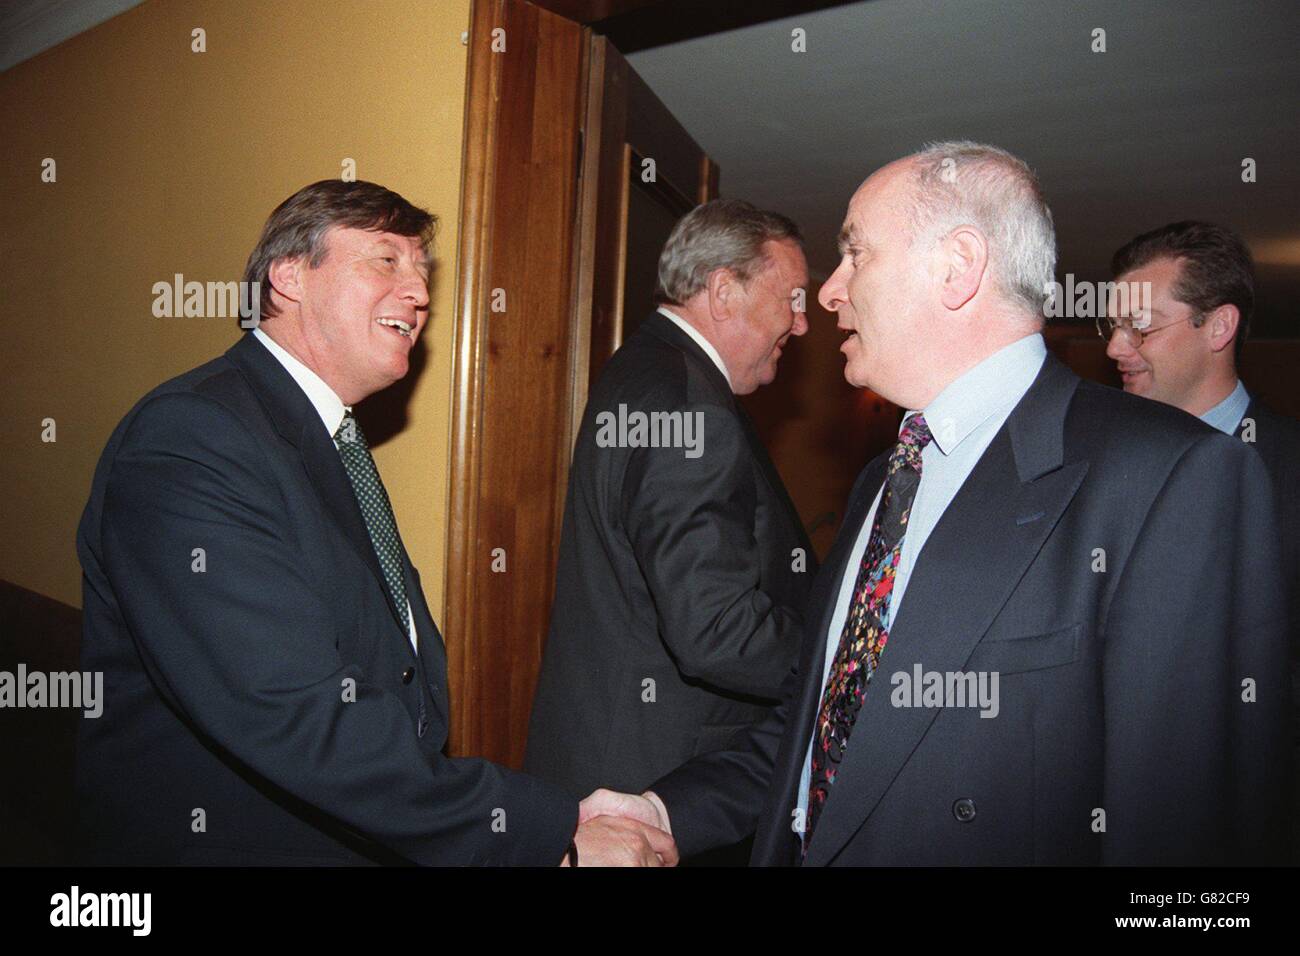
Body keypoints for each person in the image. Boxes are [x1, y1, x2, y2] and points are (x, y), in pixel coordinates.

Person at [581, 143, 1291, 865]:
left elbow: (1187, 839)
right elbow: (828, 721)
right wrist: (667, 811)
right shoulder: (883, 481)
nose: (830, 293)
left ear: (957, 266)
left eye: (856, 254)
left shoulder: (1171, 477)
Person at [75, 179, 675, 866]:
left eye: (422, 271)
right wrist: (544, 831)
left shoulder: (326, 436)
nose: (418, 293)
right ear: (289, 276)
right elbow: (293, 714)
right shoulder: (193, 436)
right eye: (387, 260)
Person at [526, 200, 817, 818]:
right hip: (653, 776)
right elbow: (714, 629)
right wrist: (840, 656)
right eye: (792, 298)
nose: (801, 324)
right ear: (723, 292)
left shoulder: (645, 369)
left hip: (612, 754)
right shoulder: (688, 405)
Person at [1104, 219, 1300, 855]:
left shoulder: (1291, 469)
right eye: (1112, 325)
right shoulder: (1098, 467)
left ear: (1219, 327)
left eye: (1141, 326)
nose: (1115, 347)